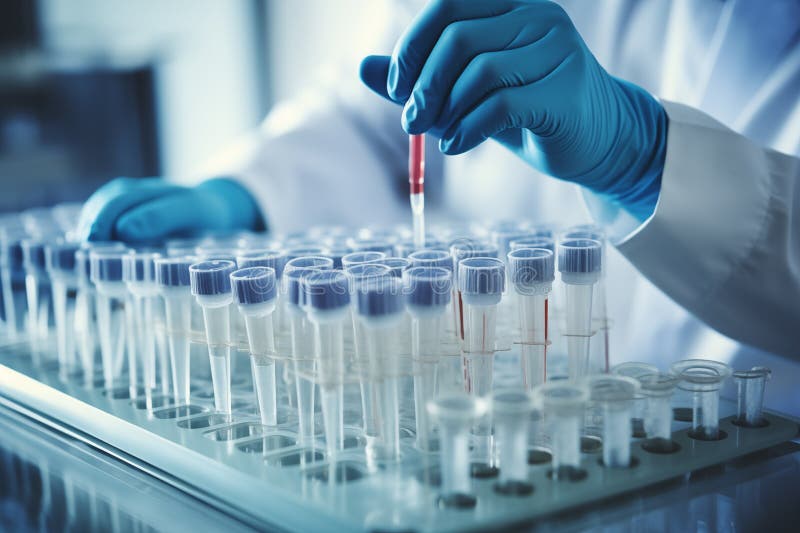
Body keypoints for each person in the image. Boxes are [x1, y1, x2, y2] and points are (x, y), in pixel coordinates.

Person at [78, 0, 800, 413]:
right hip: (508, 430)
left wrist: (644, 158)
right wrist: (244, 194)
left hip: (769, 454)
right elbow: (385, 109)